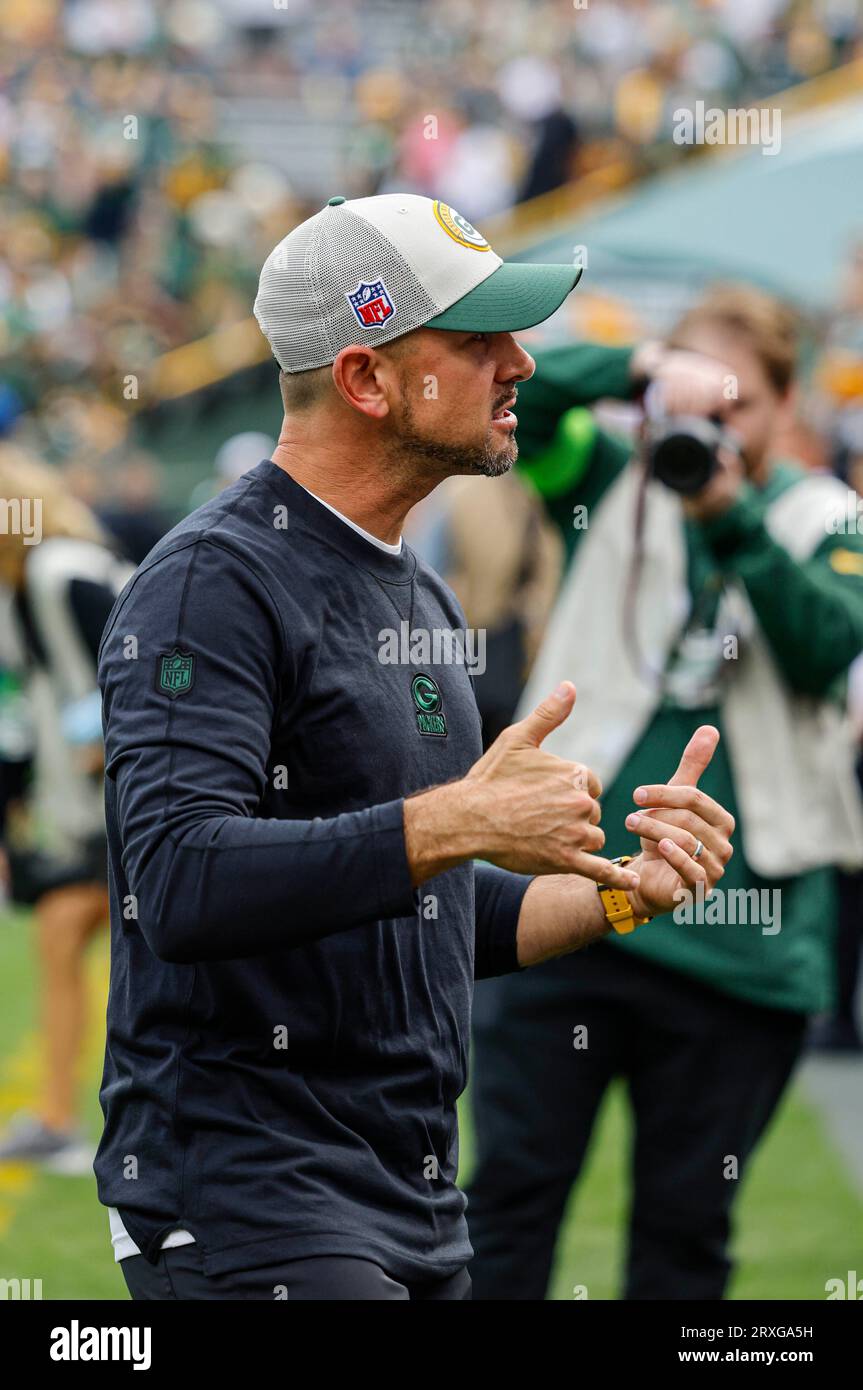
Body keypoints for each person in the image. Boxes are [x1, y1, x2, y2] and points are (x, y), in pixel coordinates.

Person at [95, 193, 734, 1301]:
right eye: (476, 339)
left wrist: (623, 891)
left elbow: (425, 903)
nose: (520, 365)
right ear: (365, 378)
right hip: (250, 1195)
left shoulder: (419, 589)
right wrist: (460, 819)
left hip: (410, 1194)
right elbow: (181, 880)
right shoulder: (212, 583)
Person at [466, 286, 863, 1300]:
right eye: (695, 397)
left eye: (734, 401)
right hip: (571, 899)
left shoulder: (829, 517)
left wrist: (726, 512)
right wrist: (640, 374)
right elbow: (523, 399)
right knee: (507, 1193)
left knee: (685, 1228)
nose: (709, 425)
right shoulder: (604, 478)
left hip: (741, 933)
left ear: (783, 406)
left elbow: (826, 646)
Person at [0, 448, 133, 1171]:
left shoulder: (63, 570)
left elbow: (147, 661)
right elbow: (26, 712)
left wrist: (110, 738)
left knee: (147, 955)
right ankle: (60, 1115)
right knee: (68, 939)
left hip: (137, 795)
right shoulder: (23, 589)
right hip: (92, 808)